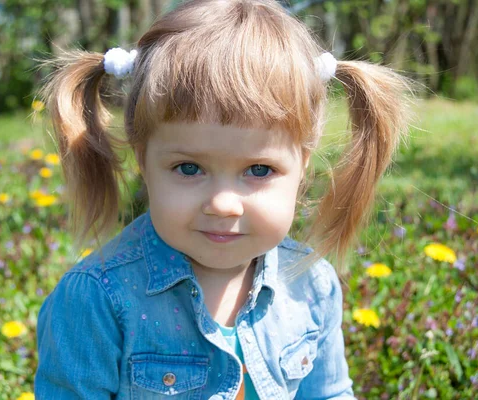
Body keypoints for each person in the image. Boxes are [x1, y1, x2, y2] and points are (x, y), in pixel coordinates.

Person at [34, 0, 410, 398]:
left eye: (259, 170)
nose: (223, 204)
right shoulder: (96, 300)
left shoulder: (311, 285)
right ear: (143, 159)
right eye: (189, 168)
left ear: (302, 164)